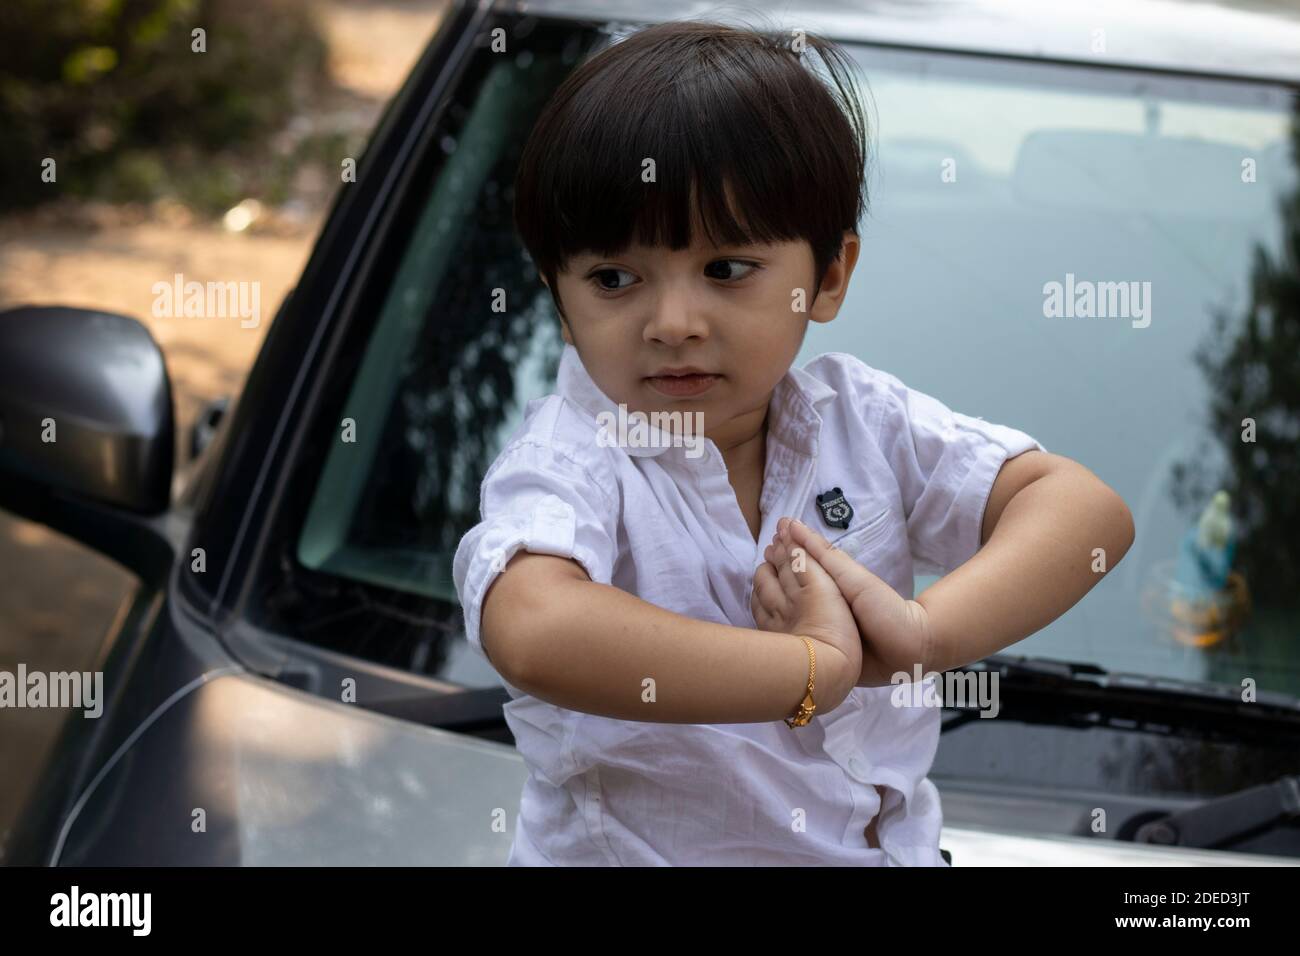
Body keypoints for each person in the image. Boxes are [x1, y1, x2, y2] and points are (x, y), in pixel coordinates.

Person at [452, 18, 1135, 865]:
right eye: (613, 279)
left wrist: (922, 636)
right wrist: (813, 673)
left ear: (829, 277)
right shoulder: (573, 458)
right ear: (559, 298)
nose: (673, 324)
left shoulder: (862, 421)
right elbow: (534, 629)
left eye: (727, 270)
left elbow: (1085, 512)